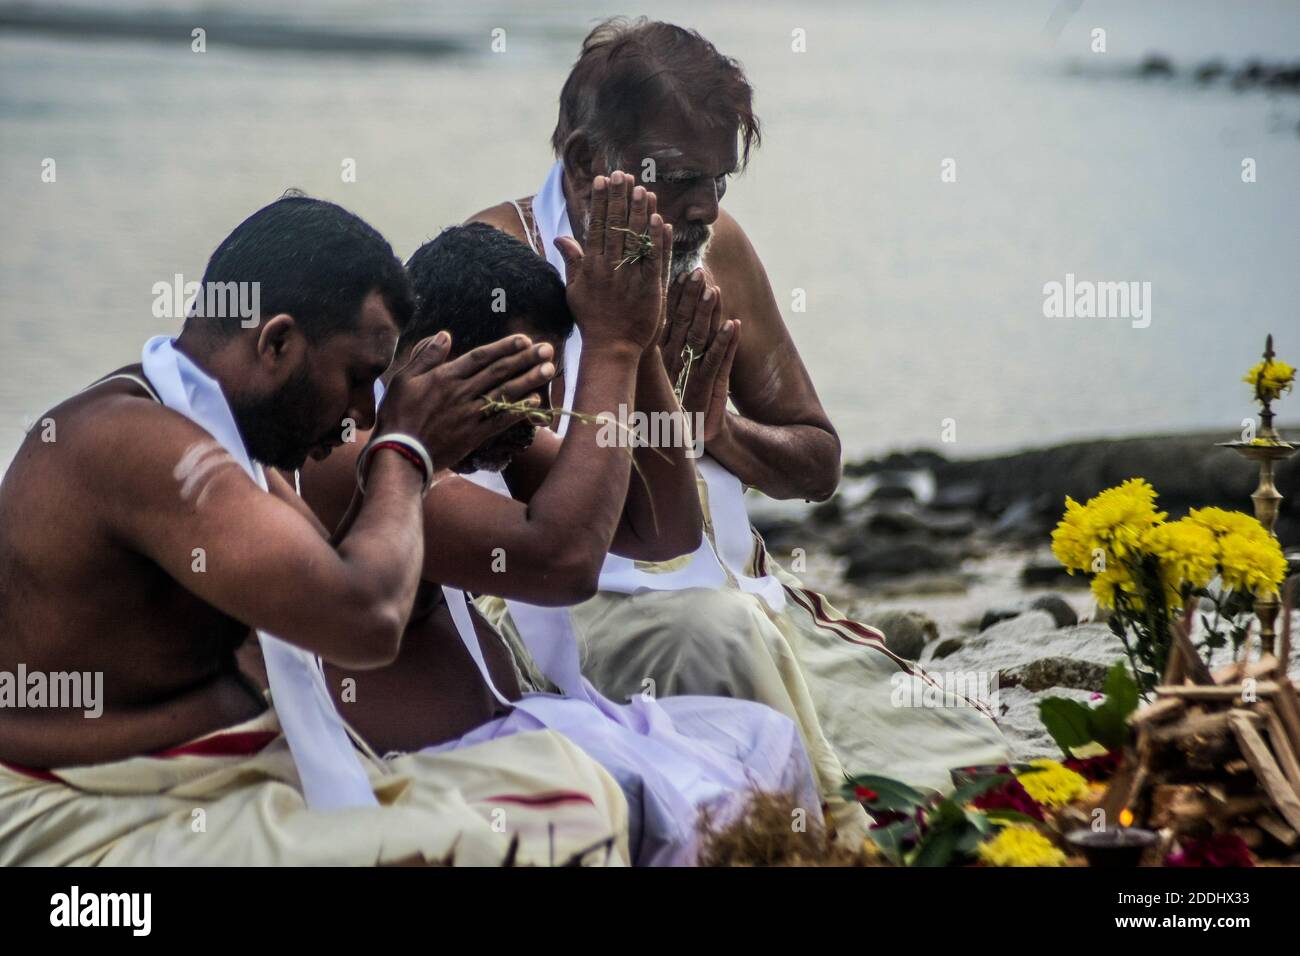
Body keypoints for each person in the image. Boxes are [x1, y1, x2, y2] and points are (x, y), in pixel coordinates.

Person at [467, 18, 1011, 838]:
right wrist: (631, 354)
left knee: (977, 771)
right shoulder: (498, 267)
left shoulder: (712, 246)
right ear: (583, 162)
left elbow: (819, 464)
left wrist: (715, 431)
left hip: (741, 594)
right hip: (568, 617)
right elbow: (574, 533)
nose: (704, 208)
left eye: (720, 181)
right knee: (808, 794)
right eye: (681, 178)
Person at [0, 195, 629, 866]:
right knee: (531, 832)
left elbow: (339, 582)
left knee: (566, 782)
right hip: (85, 824)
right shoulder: (135, 444)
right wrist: (406, 453)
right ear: (275, 342)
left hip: (222, 790)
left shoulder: (219, 436)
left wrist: (419, 454)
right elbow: (365, 618)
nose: (365, 408)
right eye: (359, 377)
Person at [299, 177, 820, 866]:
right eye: (528, 378)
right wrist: (609, 346)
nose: (546, 409)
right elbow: (563, 561)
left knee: (763, 740)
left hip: (523, 733)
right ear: (448, 358)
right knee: (673, 801)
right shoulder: (354, 459)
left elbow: (662, 530)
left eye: (553, 380)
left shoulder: (489, 431)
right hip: (430, 777)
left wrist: (643, 348)